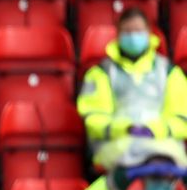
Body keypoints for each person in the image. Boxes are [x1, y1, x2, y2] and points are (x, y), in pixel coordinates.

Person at [77, 8, 187, 161]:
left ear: (149, 33)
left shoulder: (170, 72)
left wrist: (155, 130)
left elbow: (181, 118)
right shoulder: (100, 73)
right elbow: (94, 117)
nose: (133, 36)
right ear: (118, 34)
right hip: (116, 146)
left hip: (163, 145)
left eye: (138, 31)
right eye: (127, 32)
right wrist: (124, 129)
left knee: (161, 163)